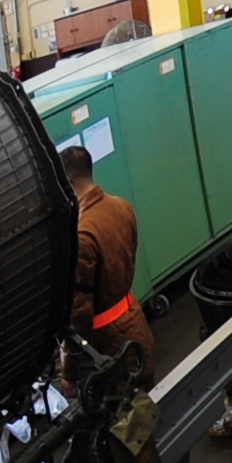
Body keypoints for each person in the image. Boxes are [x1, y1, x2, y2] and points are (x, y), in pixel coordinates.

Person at [60, 143, 155, 382]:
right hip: (137, 326)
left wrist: (69, 371)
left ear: (69, 184)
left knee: (125, 415)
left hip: (110, 348)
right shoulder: (122, 207)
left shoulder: (82, 235)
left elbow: (80, 312)